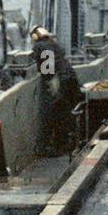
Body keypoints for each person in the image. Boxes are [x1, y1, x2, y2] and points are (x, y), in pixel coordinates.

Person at [30, 26, 82, 154]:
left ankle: (53, 147)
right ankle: (65, 144)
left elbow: (47, 70)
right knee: (66, 112)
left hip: (60, 81)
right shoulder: (53, 44)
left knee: (53, 113)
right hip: (71, 78)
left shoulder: (40, 46)